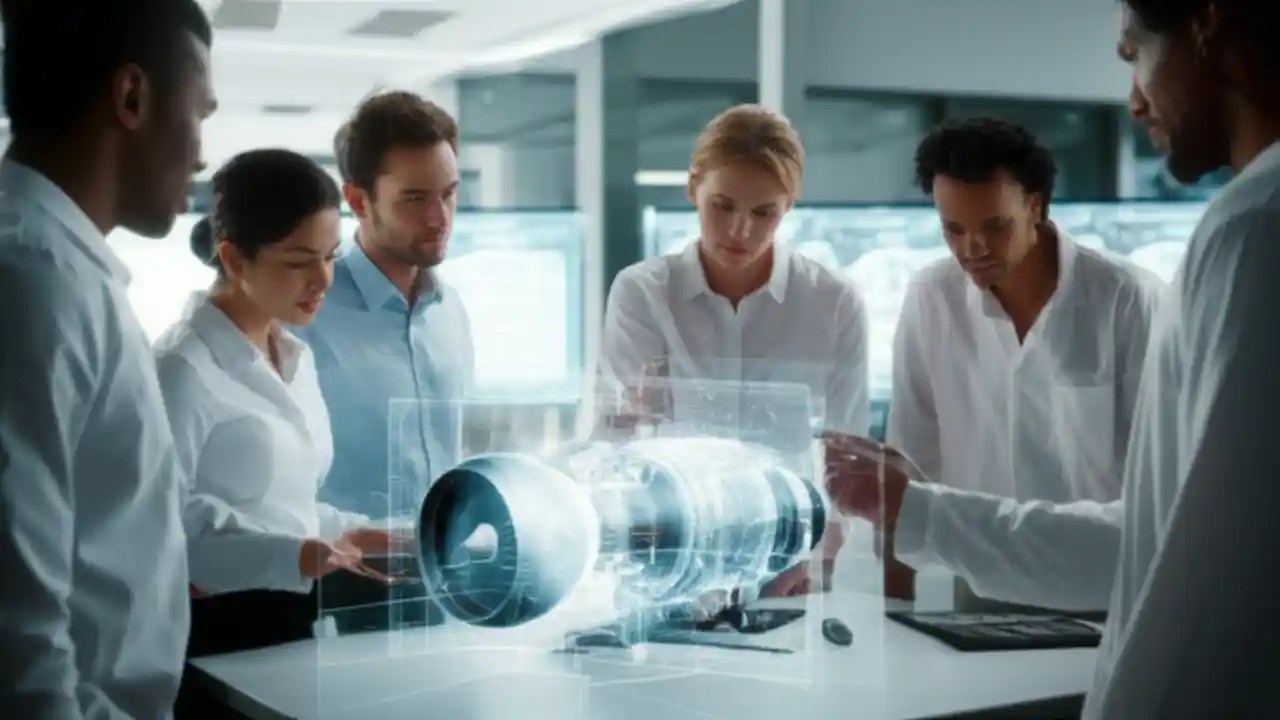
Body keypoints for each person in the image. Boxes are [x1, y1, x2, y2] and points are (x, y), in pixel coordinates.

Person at [826, 1, 1280, 716]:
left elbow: (1169, 547)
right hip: (979, 604)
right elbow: (913, 468)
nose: (1132, 99)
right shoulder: (929, 299)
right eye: (953, 229)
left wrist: (923, 514)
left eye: (1134, 53)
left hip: (1101, 618)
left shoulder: (1226, 244)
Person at [0, 1, 216, 716]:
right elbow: (17, 629)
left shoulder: (65, 270)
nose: (203, 153)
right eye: (200, 114)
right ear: (131, 97)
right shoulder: (33, 280)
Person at [598, 103, 871, 596]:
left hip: (796, 569)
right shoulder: (643, 293)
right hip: (671, 565)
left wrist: (810, 558)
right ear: (692, 186)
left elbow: (844, 465)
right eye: (721, 206)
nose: (739, 231)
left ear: (788, 206)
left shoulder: (834, 304)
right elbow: (620, 443)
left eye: (763, 213)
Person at [884, 118, 1161, 602]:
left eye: (995, 226)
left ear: (1035, 205)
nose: (973, 248)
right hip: (975, 589)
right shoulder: (931, 297)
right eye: (953, 229)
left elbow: (1159, 475)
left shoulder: (1128, 300)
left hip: (1102, 593)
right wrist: (894, 606)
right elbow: (911, 452)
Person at [154, 150, 402, 661]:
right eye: (298, 261)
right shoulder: (179, 371)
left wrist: (344, 531)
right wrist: (296, 555)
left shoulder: (294, 357)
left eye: (331, 256)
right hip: (205, 638)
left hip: (286, 622)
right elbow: (163, 528)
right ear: (234, 259)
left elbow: (278, 505)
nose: (323, 280)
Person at [294, 91, 474, 521]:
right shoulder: (303, 315)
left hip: (440, 573)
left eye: (448, 194)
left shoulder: (451, 311)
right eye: (415, 199)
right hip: (339, 577)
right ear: (358, 202)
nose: (439, 217)